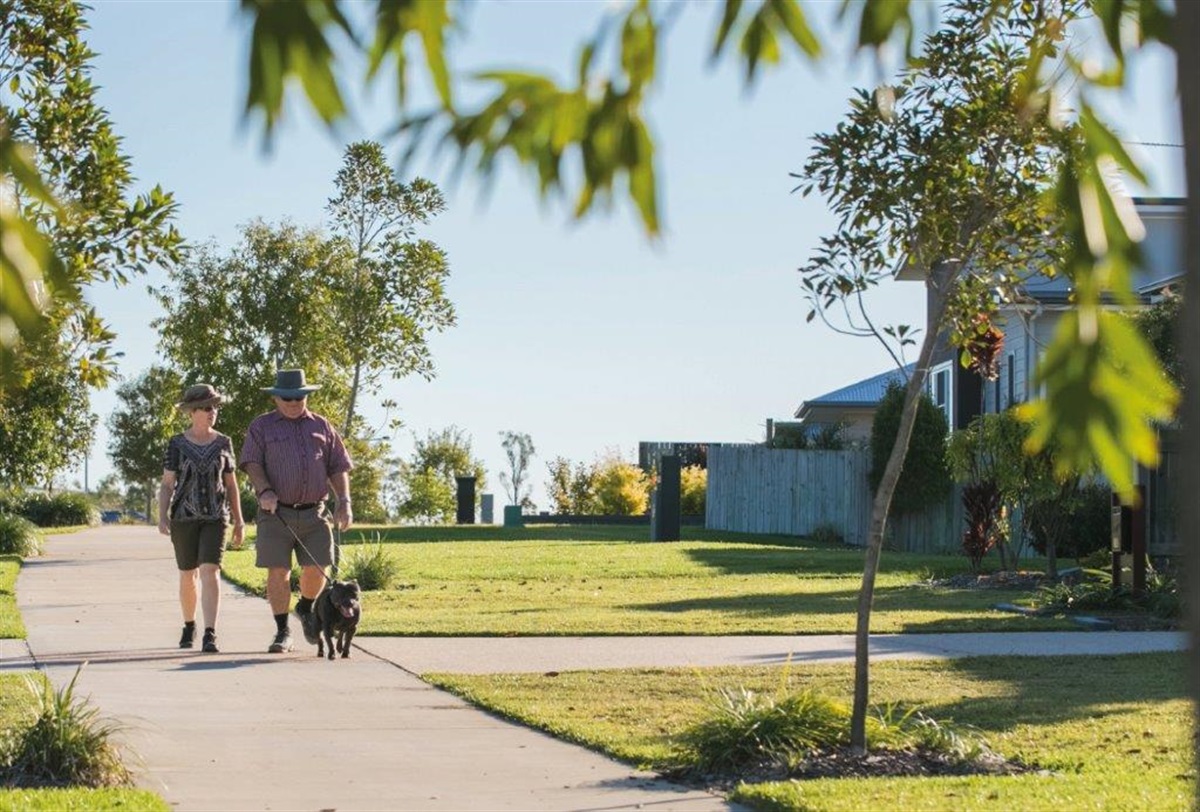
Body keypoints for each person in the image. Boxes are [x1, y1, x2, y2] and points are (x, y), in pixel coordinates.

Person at [239, 369, 353, 653]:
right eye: (288, 397)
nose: (294, 402)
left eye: (299, 396)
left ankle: (305, 607)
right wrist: (264, 490)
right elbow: (252, 462)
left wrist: (345, 502)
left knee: (317, 569)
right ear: (277, 397)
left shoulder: (322, 426)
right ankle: (282, 632)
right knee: (279, 573)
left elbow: (338, 466)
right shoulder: (261, 427)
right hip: (275, 513)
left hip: (315, 513)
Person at [157, 383, 245, 654]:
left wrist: (239, 521)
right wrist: (162, 515)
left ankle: (210, 633)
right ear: (192, 411)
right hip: (183, 518)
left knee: (210, 570)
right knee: (187, 574)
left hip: (216, 517)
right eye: (207, 407)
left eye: (215, 407)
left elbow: (231, 485)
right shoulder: (176, 444)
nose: (213, 412)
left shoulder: (223, 442)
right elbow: (168, 484)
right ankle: (189, 624)